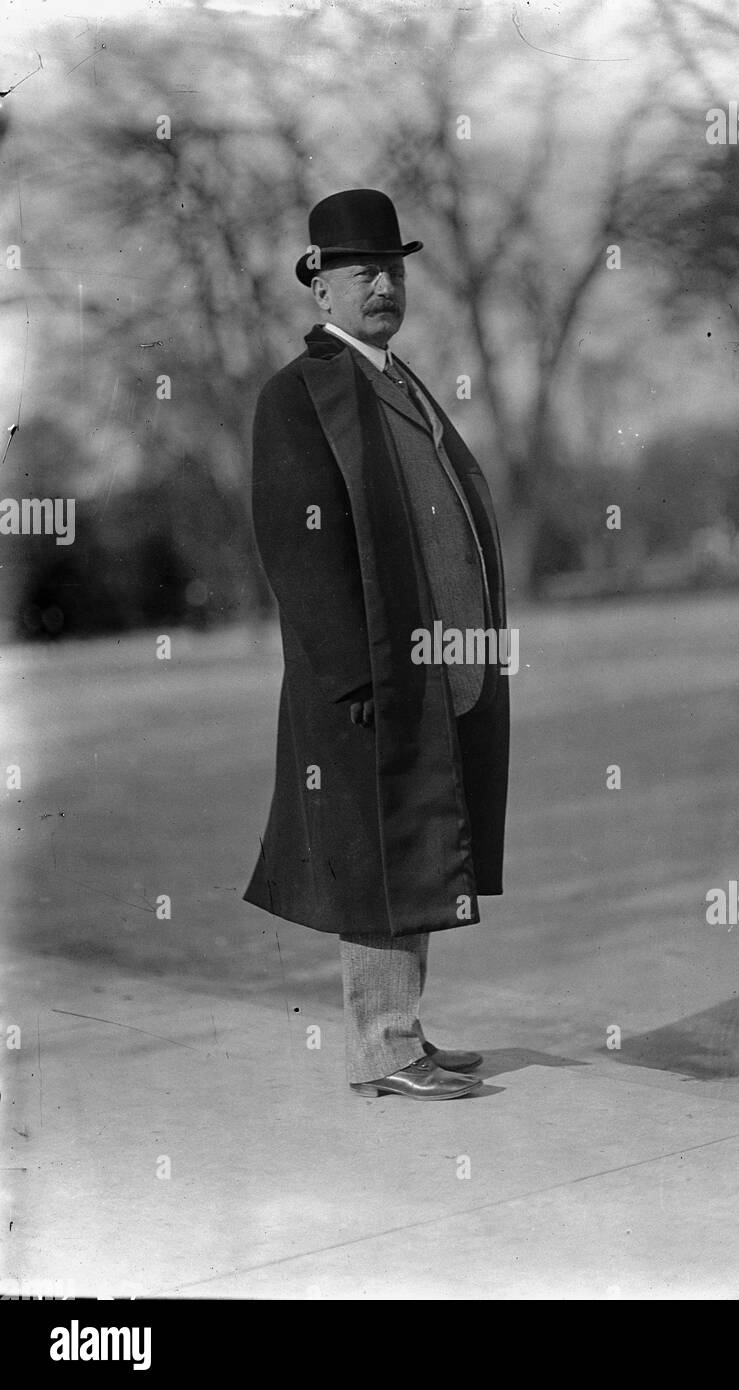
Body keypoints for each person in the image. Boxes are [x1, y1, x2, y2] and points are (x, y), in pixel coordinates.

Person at [244, 189, 510, 1100]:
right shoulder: (299, 394)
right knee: (374, 853)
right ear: (319, 285)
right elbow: (296, 548)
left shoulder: (399, 381)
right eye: (361, 272)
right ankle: (383, 1052)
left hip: (431, 667)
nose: (382, 285)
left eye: (392, 269)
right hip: (366, 678)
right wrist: (352, 673)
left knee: (416, 841)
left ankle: (405, 1033)